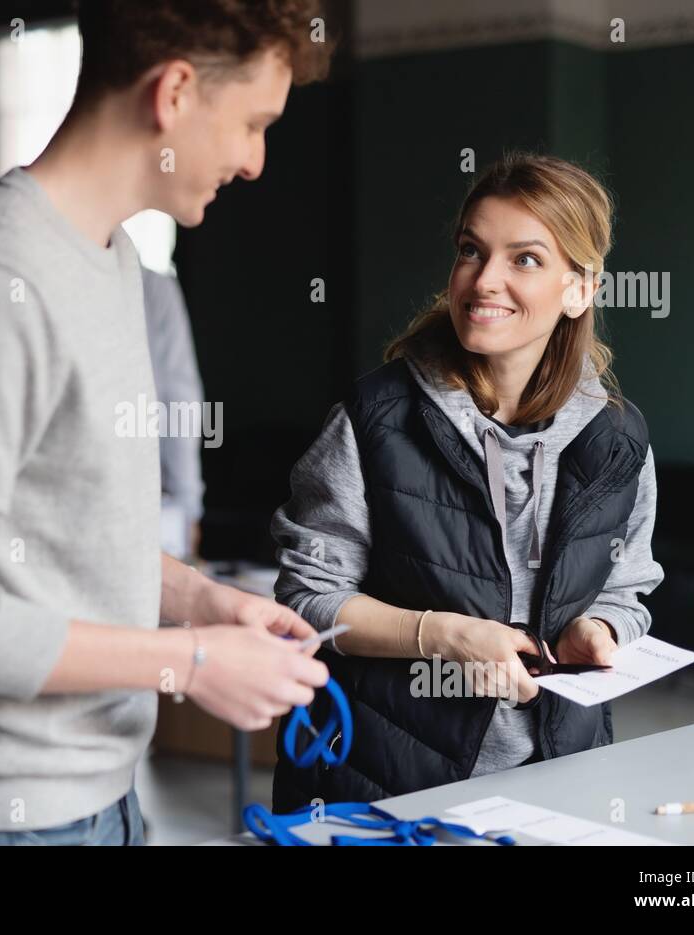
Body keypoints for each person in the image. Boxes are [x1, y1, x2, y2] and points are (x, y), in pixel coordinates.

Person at [0, 0, 334, 845]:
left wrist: (200, 602)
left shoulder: (114, 258)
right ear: (175, 93)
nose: (256, 162)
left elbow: (61, 530)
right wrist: (187, 664)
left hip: (102, 798)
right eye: (254, 124)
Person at [270, 153, 665, 810]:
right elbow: (308, 600)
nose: (484, 280)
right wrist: (444, 636)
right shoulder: (374, 420)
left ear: (580, 289)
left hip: (560, 774)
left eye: (526, 258)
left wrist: (602, 629)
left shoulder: (618, 438)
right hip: (382, 781)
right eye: (471, 250)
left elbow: (628, 588)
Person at [142, 266, 206, 559]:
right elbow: (180, 399)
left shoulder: (152, 287)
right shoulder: (152, 287)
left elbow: (180, 402)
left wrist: (186, 506)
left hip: (146, 504)